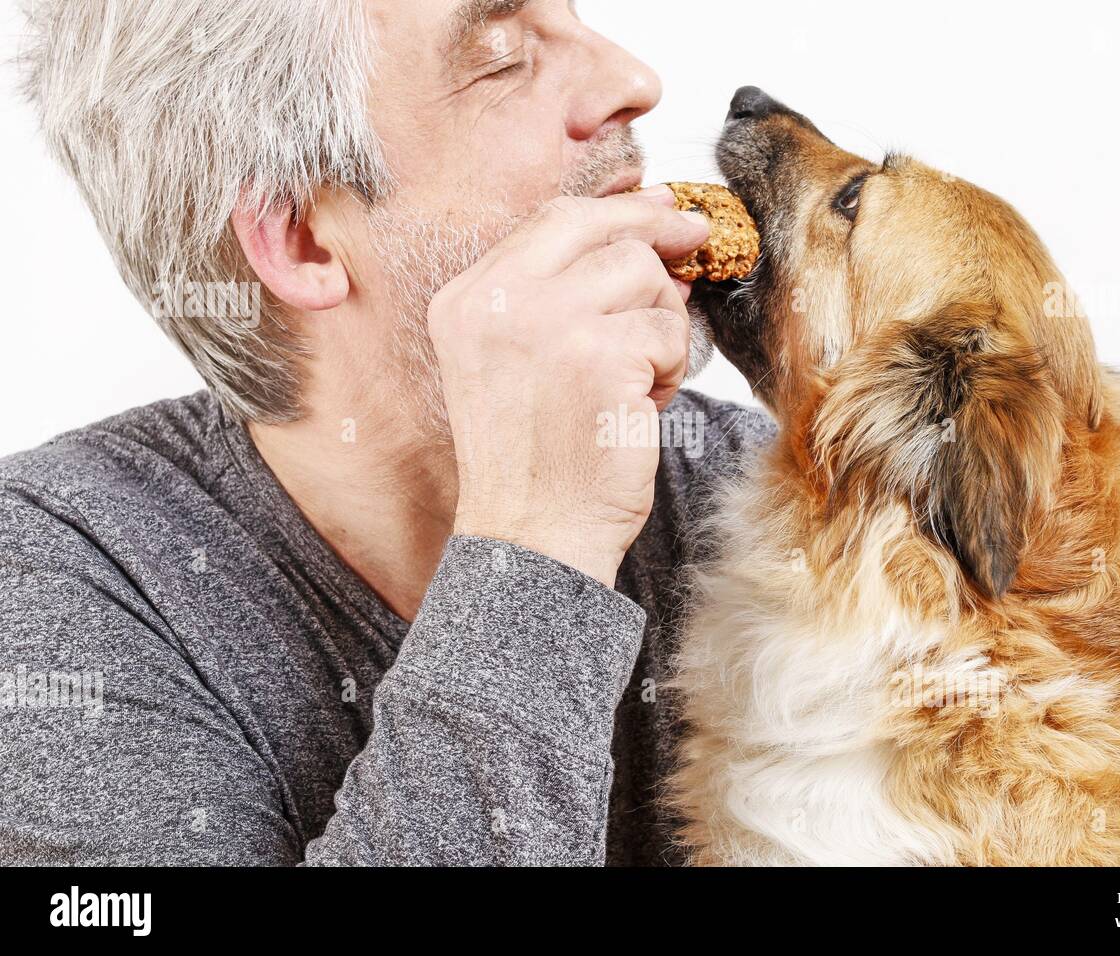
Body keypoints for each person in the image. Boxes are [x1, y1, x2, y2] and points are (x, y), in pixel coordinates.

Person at [1, 0, 771, 865]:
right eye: (502, 55)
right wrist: (545, 538)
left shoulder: (769, 501)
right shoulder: (57, 585)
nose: (635, 81)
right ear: (302, 241)